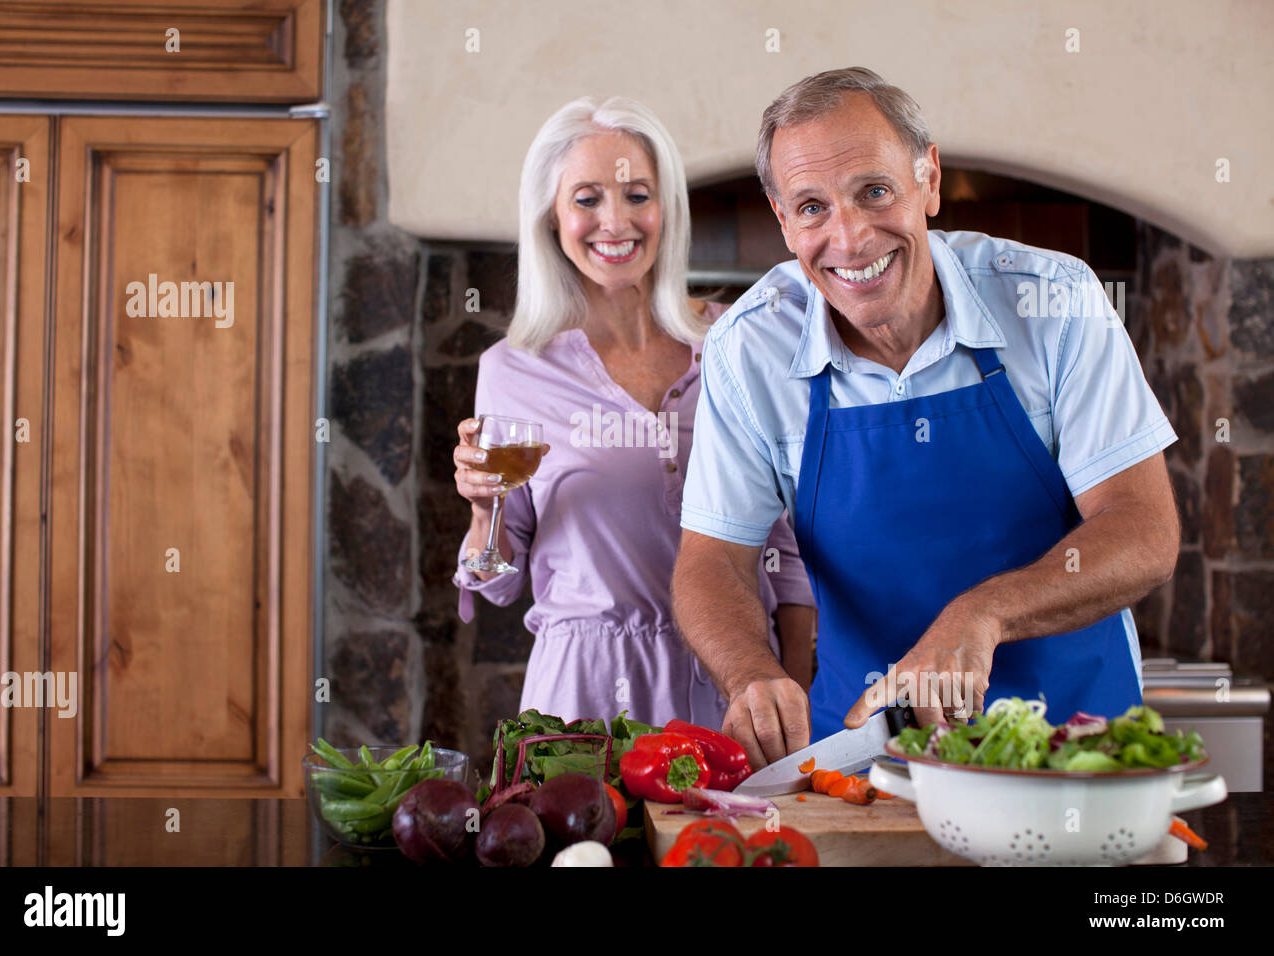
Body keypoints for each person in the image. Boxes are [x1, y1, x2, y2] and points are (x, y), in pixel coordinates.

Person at [673, 67, 1180, 768]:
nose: (849, 239)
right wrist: (750, 672)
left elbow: (1144, 531)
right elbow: (713, 559)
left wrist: (983, 614)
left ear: (929, 180)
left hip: (1072, 749)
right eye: (813, 207)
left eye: (874, 192)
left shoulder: (1056, 303)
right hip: (866, 756)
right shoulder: (750, 345)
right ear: (783, 219)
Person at [452, 95, 816, 730]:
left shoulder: (734, 343)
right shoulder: (514, 370)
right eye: (587, 198)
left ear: (667, 208)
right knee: (590, 835)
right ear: (552, 217)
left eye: (637, 195)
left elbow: (786, 544)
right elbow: (498, 580)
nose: (615, 221)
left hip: (732, 679)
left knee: (731, 836)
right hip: (583, 698)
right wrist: (486, 508)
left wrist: (794, 687)